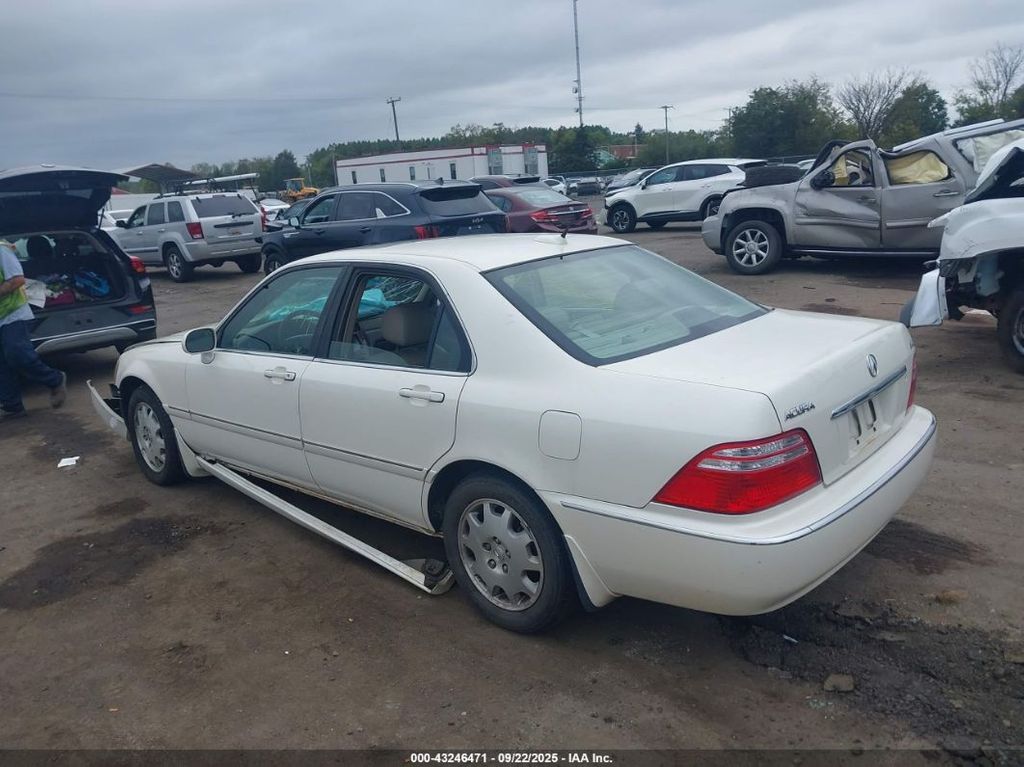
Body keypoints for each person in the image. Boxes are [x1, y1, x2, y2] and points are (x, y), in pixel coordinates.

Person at [0, 239, 66, 418]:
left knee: (17, 354)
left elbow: (17, 280)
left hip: (13, 313)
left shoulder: (2, 250)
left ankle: (55, 379)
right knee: (2, 364)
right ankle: (12, 406)